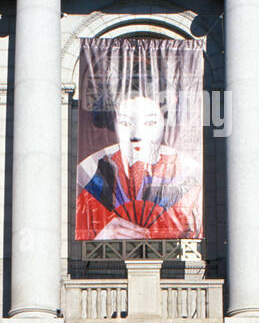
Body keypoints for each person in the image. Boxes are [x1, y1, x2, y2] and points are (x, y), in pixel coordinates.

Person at [76, 92, 201, 240]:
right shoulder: (96, 173)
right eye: (126, 123)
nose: (136, 135)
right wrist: (100, 239)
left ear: (164, 124)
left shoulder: (186, 172)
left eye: (150, 123)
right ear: (114, 124)